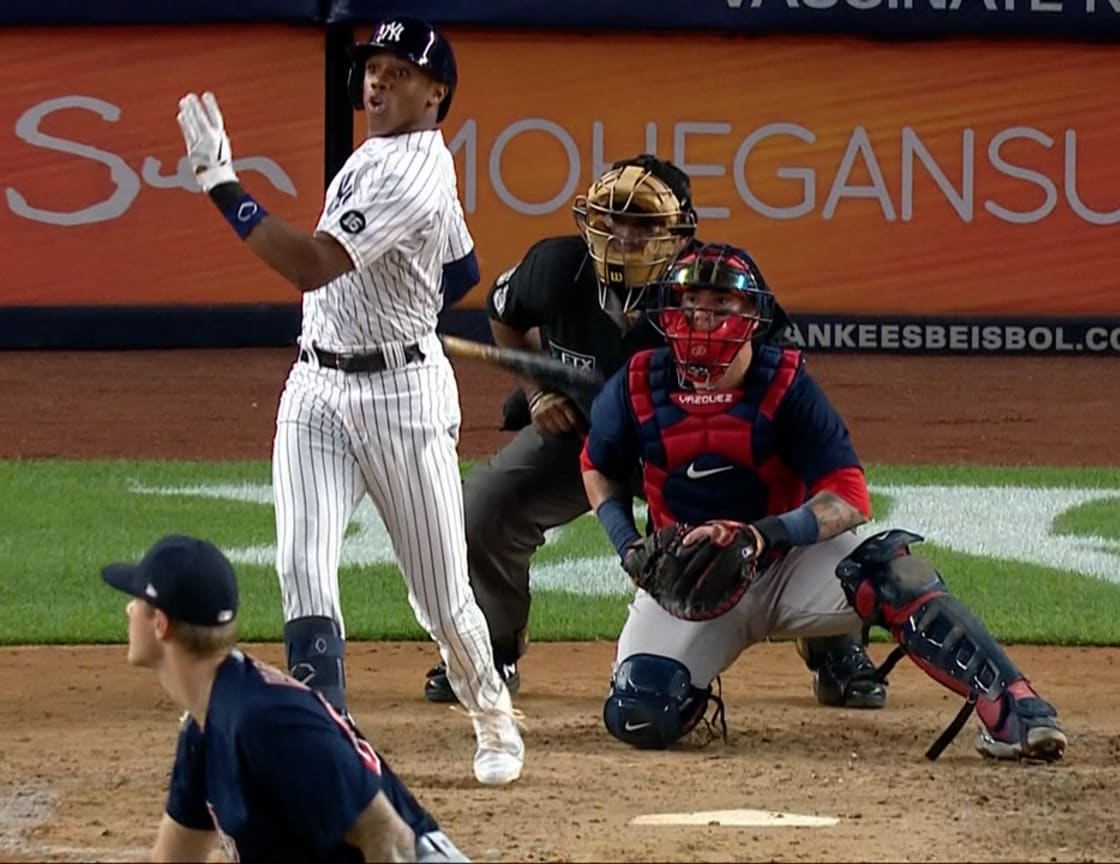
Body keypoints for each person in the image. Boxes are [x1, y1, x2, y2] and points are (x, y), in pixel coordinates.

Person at [174, 15, 523, 785]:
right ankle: (323, 732)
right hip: (317, 387)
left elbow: (308, 266)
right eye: (374, 66)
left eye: (399, 71)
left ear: (437, 92)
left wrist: (221, 185)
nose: (377, 80)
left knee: (439, 595)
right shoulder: (382, 157)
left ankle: (492, 709)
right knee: (303, 561)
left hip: (402, 398)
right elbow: (460, 268)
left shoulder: (410, 172)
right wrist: (406, 294)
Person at [421, 155, 887, 712]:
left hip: (704, 436)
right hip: (594, 436)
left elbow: (778, 381)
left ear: (679, 233)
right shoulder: (553, 267)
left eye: (641, 225)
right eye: (610, 220)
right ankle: (493, 645)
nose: (622, 237)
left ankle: (834, 646)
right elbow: (505, 316)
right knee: (485, 502)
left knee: (796, 501)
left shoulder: (711, 281)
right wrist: (538, 389)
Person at [579, 243, 1070, 760]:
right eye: (691, 302)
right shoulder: (635, 383)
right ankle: (701, 680)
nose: (701, 317)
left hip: (789, 563)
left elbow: (849, 498)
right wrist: (627, 544)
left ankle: (1016, 709)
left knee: (895, 577)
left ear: (752, 315)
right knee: (640, 714)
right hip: (689, 580)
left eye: (721, 304)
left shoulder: (786, 384)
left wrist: (761, 535)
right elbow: (597, 466)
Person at [103, 533, 471, 862]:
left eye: (136, 600)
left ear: (160, 624)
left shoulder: (266, 720)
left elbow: (390, 838)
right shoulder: (204, 728)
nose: (128, 609)